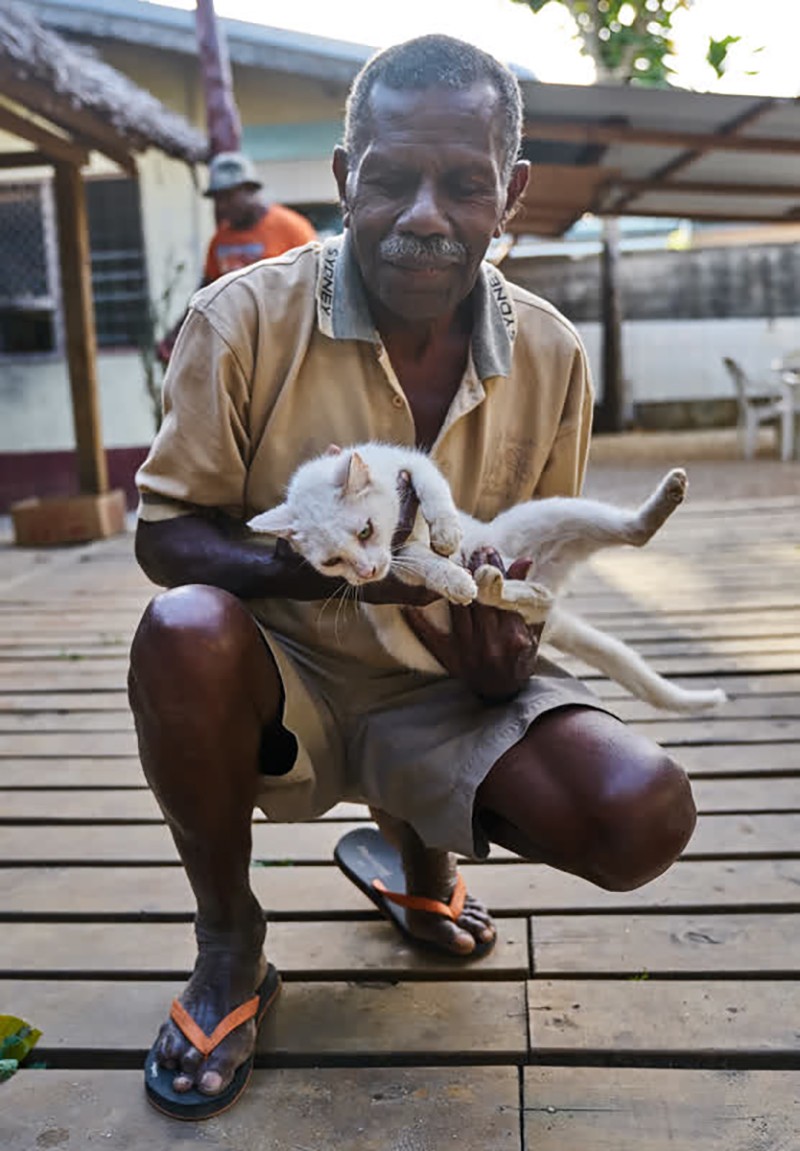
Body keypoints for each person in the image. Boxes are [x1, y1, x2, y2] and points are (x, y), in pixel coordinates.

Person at [130, 34, 697, 1119]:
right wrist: (322, 572)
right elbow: (166, 536)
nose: (422, 214)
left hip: (439, 689)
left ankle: (416, 864)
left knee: (640, 813)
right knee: (181, 625)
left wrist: (506, 649)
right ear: (345, 179)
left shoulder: (551, 353)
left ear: (510, 194)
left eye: (462, 182)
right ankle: (229, 939)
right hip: (279, 671)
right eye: (388, 178)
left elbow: (525, 565)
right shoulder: (238, 318)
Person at [156, 152, 317, 365]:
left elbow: (316, 286)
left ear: (250, 190)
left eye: (228, 197)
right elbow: (207, 292)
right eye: (217, 199)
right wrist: (178, 333)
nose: (221, 206)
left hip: (286, 344)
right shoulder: (220, 240)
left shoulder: (293, 229)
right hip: (240, 346)